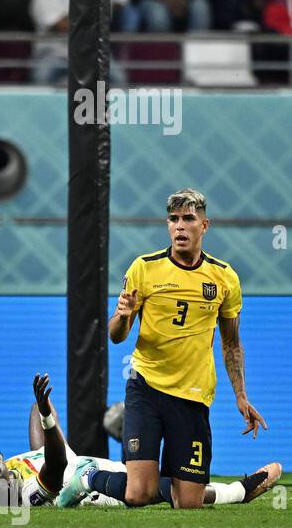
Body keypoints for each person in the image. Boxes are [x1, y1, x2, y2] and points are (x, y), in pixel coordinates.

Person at [58, 188, 267, 510]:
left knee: (188, 503)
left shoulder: (225, 278)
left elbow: (231, 342)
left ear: (204, 225)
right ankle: (87, 477)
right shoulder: (144, 268)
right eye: (173, 219)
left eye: (188, 219)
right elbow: (116, 336)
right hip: (147, 389)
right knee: (138, 494)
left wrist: (241, 395)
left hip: (194, 395)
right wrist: (123, 316)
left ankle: (207, 488)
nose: (180, 227)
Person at [0, 374, 282, 510]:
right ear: (3, 484)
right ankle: (238, 491)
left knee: (40, 418)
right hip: (91, 488)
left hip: (79, 465)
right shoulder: (27, 492)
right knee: (174, 494)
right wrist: (47, 417)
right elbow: (56, 465)